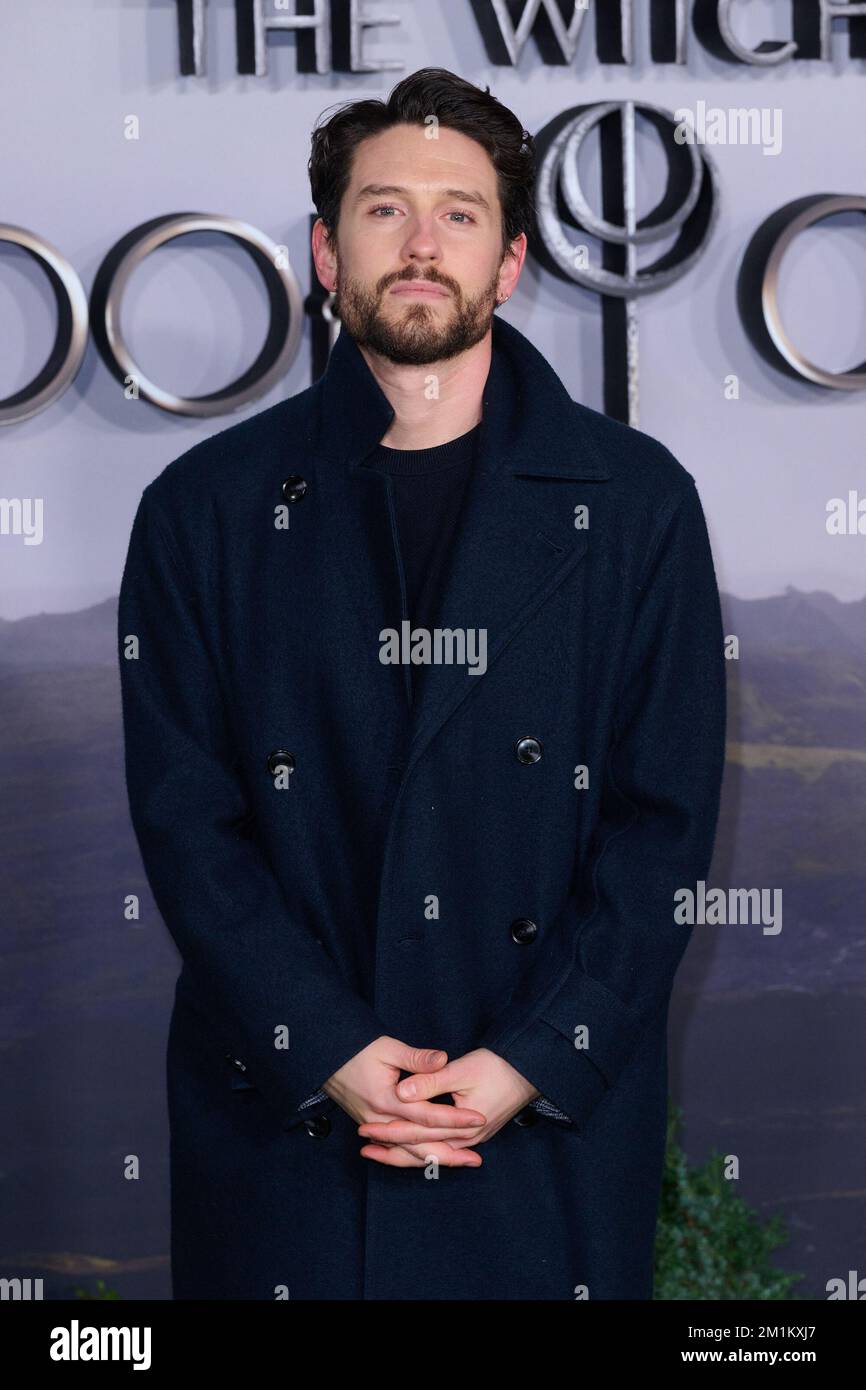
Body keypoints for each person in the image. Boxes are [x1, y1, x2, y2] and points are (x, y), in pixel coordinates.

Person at [118, 66, 726, 1300]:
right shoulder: (204, 509)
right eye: (382, 208)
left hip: (539, 1128)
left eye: (458, 213)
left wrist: (524, 1060)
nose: (419, 244)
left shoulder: (637, 503)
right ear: (324, 251)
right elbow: (192, 828)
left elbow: (657, 832)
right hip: (284, 1125)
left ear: (508, 263)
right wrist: (332, 1047)